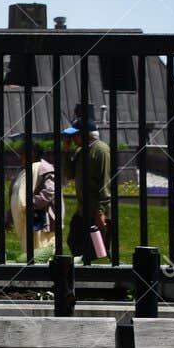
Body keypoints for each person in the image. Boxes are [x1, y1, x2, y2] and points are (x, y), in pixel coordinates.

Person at [63, 110, 113, 264]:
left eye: (75, 134)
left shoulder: (100, 150)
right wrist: (66, 151)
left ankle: (96, 271)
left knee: (97, 247)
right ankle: (86, 268)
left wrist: (100, 211)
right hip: (83, 209)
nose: (72, 138)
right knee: (74, 241)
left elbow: (104, 182)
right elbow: (69, 173)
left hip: (96, 209)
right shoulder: (80, 150)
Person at [9, 142, 59, 256]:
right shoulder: (24, 170)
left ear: (31, 153)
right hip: (26, 219)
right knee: (29, 250)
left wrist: (31, 204)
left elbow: (49, 191)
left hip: (40, 219)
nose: (20, 156)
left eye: (22, 153)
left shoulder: (43, 168)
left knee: (41, 250)